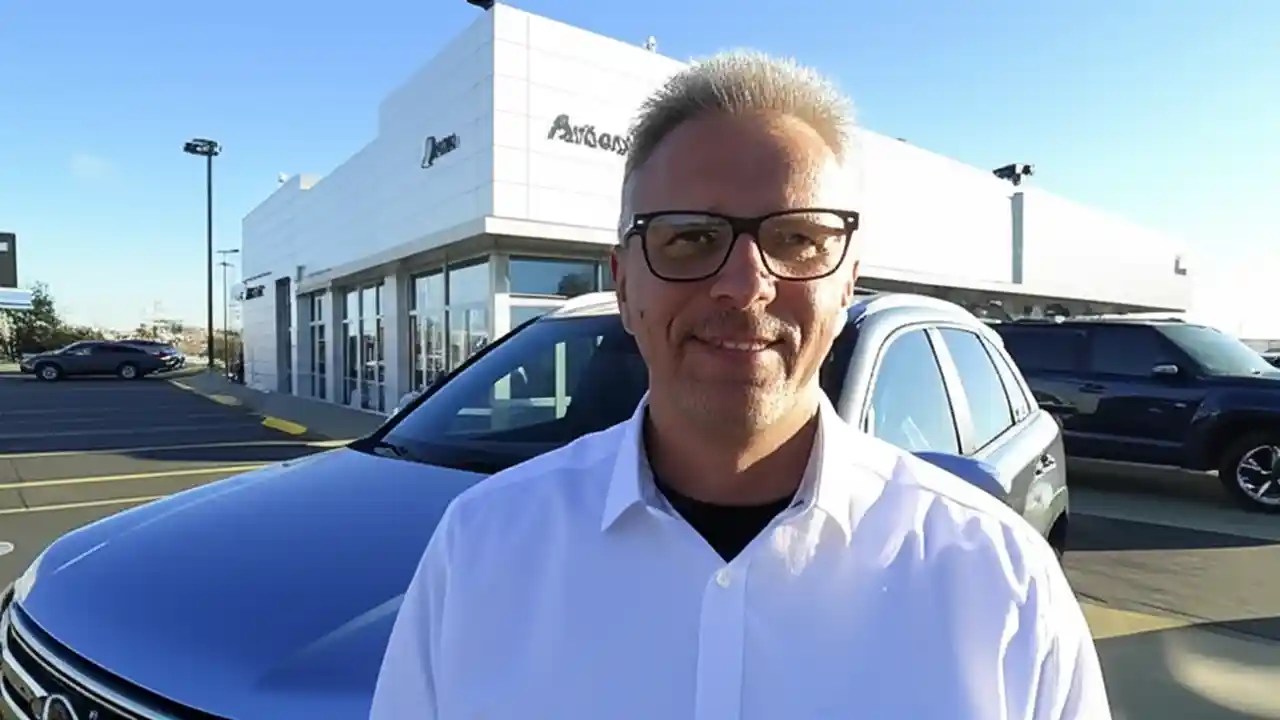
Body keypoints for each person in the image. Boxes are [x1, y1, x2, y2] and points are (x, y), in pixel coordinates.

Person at [370, 50, 1110, 719]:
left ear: (846, 284)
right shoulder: (480, 552)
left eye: (798, 238)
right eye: (691, 237)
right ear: (624, 285)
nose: (746, 284)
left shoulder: (1001, 583)